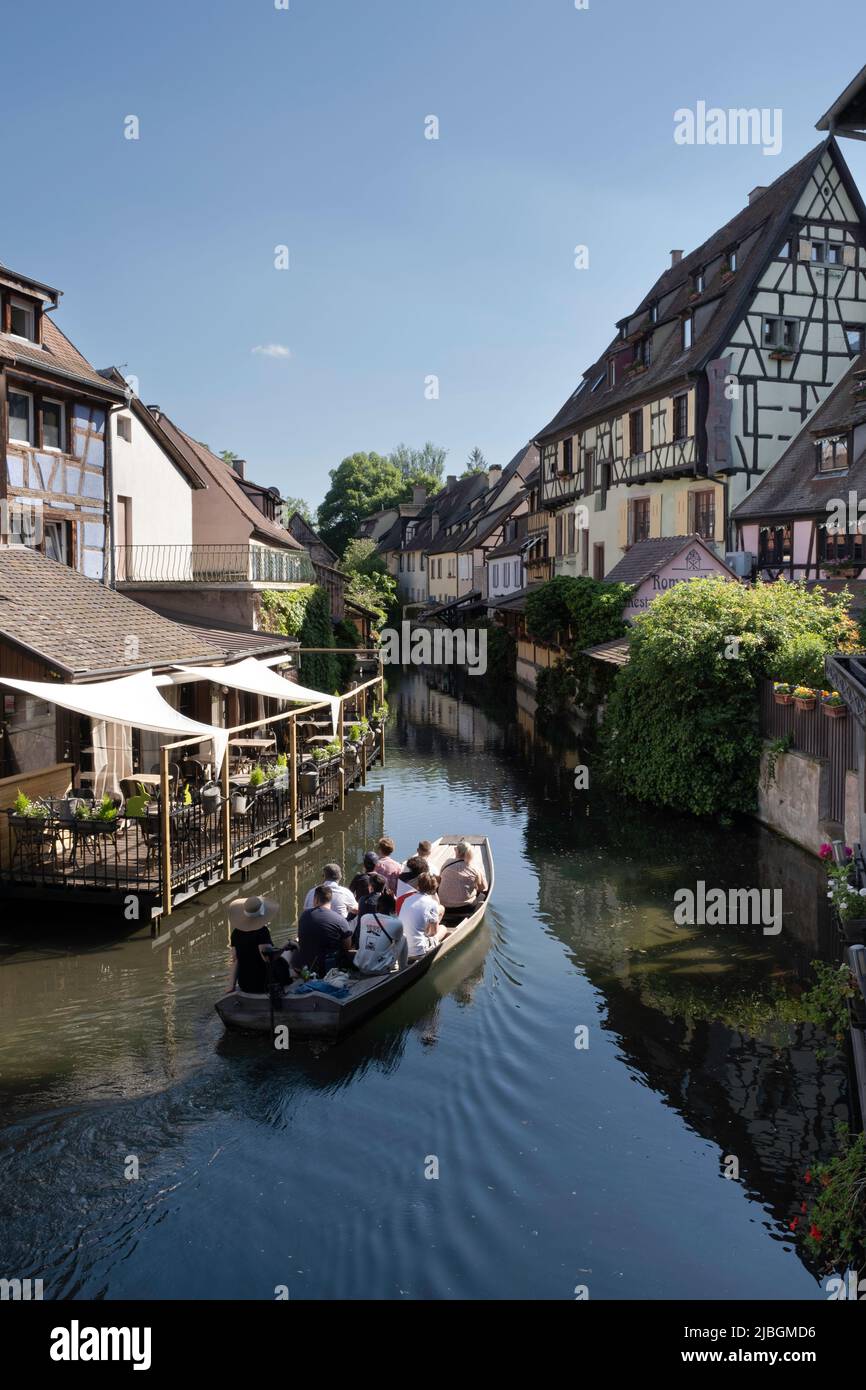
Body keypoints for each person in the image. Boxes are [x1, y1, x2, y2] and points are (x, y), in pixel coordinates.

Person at [293, 885, 354, 977]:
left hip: (307, 968)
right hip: (328, 969)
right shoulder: (340, 920)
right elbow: (347, 947)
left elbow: (301, 938)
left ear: (316, 899)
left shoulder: (304, 916)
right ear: (330, 900)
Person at [228, 895, 279, 994]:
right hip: (263, 983)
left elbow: (235, 959)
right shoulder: (262, 932)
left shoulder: (235, 933)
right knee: (284, 963)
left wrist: (231, 985)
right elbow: (267, 958)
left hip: (245, 984)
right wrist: (285, 948)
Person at [354, 890, 408, 975]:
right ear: (392, 909)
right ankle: (403, 969)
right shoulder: (396, 923)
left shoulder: (365, 917)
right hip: (380, 970)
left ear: (377, 906)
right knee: (403, 937)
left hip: (360, 966)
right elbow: (397, 940)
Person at [399, 871, 447, 959]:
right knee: (443, 928)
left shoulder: (406, 899)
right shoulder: (432, 903)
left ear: (418, 886)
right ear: (433, 887)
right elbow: (434, 932)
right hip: (419, 951)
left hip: (404, 949)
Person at [438, 840, 488, 912]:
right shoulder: (474, 869)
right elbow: (482, 888)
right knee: (482, 895)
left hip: (444, 906)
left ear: (457, 851)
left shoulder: (447, 862)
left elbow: (440, 877)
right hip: (466, 907)